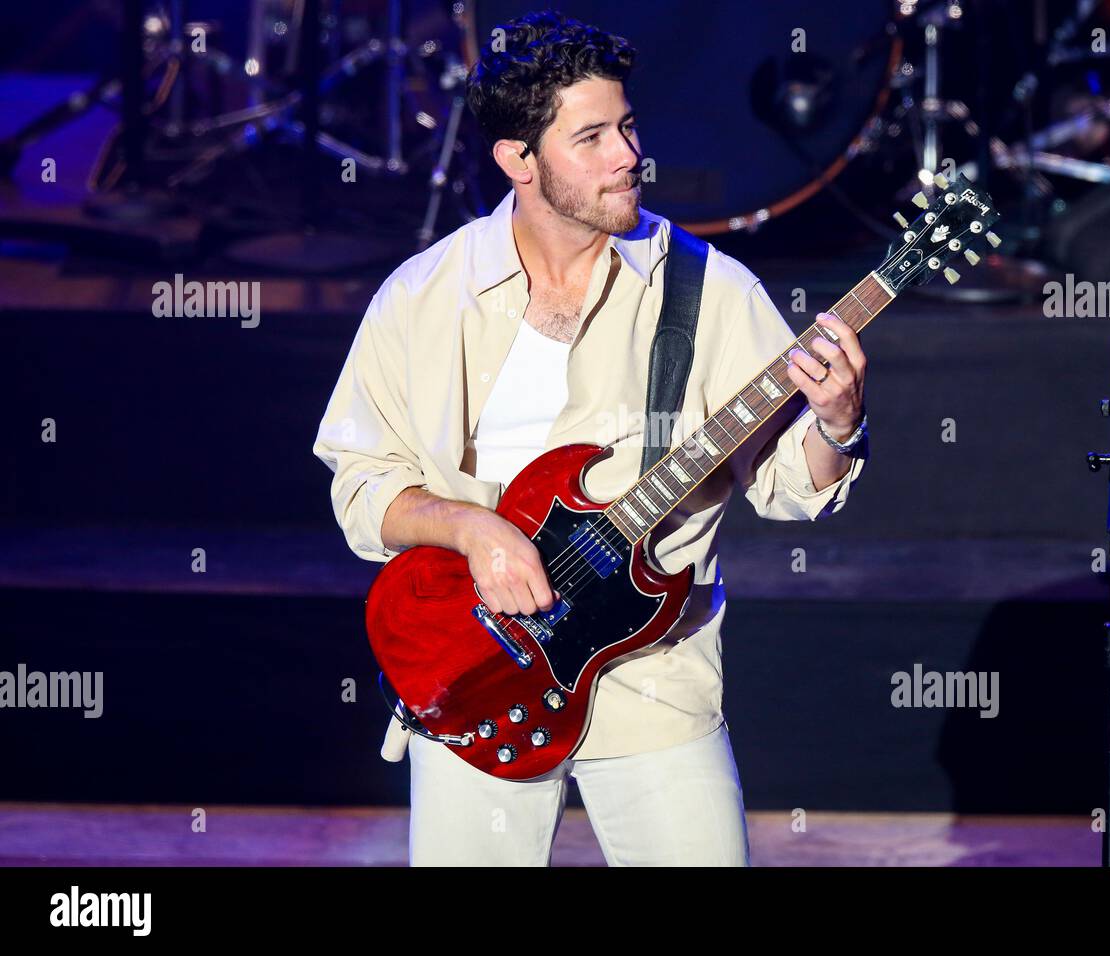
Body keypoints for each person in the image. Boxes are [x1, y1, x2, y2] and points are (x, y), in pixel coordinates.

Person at [313, 9, 869, 866]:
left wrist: (836, 422)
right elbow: (360, 487)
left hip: (655, 679)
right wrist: (474, 529)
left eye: (629, 126)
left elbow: (791, 488)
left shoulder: (710, 290)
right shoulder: (422, 296)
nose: (627, 155)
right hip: (477, 670)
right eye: (592, 137)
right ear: (518, 161)